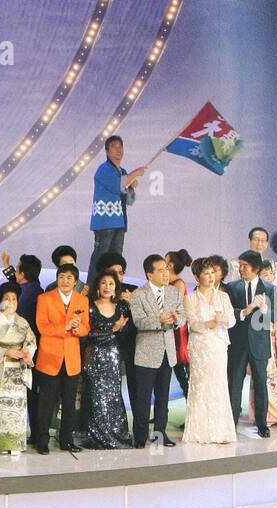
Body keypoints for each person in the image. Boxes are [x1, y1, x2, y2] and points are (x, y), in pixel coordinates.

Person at [128, 255, 185, 448]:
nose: (165, 274)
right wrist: (158, 319)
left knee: (163, 397)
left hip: (167, 353)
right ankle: (140, 437)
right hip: (146, 353)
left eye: (167, 269)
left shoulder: (174, 293)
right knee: (142, 398)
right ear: (149, 274)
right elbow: (138, 322)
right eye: (160, 270)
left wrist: (177, 320)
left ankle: (160, 434)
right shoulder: (138, 295)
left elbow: (183, 317)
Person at [33, 263, 89, 454]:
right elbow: (42, 327)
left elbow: (86, 328)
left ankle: (67, 439)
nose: (65, 281)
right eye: (62, 277)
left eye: (69, 278)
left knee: (70, 401)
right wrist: (65, 327)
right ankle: (41, 440)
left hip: (72, 359)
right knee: (46, 402)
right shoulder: (45, 299)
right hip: (49, 357)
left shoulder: (82, 300)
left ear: (75, 282)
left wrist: (76, 328)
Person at [180, 255, 236, 445]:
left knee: (219, 385)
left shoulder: (223, 296)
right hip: (200, 347)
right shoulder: (191, 299)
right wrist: (212, 322)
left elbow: (232, 320)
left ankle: (221, 431)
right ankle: (200, 433)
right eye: (206, 273)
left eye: (213, 272)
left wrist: (222, 321)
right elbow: (194, 324)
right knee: (201, 386)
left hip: (219, 345)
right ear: (197, 277)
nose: (211, 277)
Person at [224, 249, 277, 437]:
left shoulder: (269, 289)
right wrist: (245, 311)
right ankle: (231, 421)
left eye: (245, 266)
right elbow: (229, 312)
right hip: (237, 342)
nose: (241, 269)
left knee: (261, 384)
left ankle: (262, 424)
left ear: (256, 268)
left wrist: (263, 309)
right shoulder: (233, 287)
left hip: (259, 343)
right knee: (234, 383)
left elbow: (275, 316)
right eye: (240, 265)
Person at [81, 270, 133, 450]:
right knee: (96, 397)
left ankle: (116, 434)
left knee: (113, 396)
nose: (107, 287)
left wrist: (120, 329)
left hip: (113, 358)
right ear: (98, 285)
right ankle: (97, 437)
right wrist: (113, 328)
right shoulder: (89, 306)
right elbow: (86, 334)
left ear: (116, 287)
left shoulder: (121, 307)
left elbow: (127, 334)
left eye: (111, 284)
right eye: (103, 283)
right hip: (94, 356)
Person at [0, 282, 35, 455]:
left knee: (18, 408)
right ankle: (0, 443)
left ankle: (16, 443)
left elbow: (31, 342)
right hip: (0, 368)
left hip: (18, 370)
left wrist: (27, 352)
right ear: (0, 302)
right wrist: (6, 351)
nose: (10, 302)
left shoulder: (22, 322)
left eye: (14, 299)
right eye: (7, 299)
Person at [89, 136, 147, 277]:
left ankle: (113, 287)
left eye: (120, 147)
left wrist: (131, 187)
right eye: (114, 146)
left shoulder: (123, 172)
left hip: (120, 221)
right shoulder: (104, 169)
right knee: (101, 257)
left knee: (116, 259)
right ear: (107, 151)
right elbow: (117, 186)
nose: (118, 150)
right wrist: (135, 174)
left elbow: (129, 200)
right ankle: (91, 287)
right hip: (105, 221)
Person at [165, 249, 193, 397]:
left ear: (170, 265)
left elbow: (173, 306)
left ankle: (191, 411)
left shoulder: (179, 284)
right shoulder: (166, 283)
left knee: (182, 374)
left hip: (176, 331)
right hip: (167, 329)